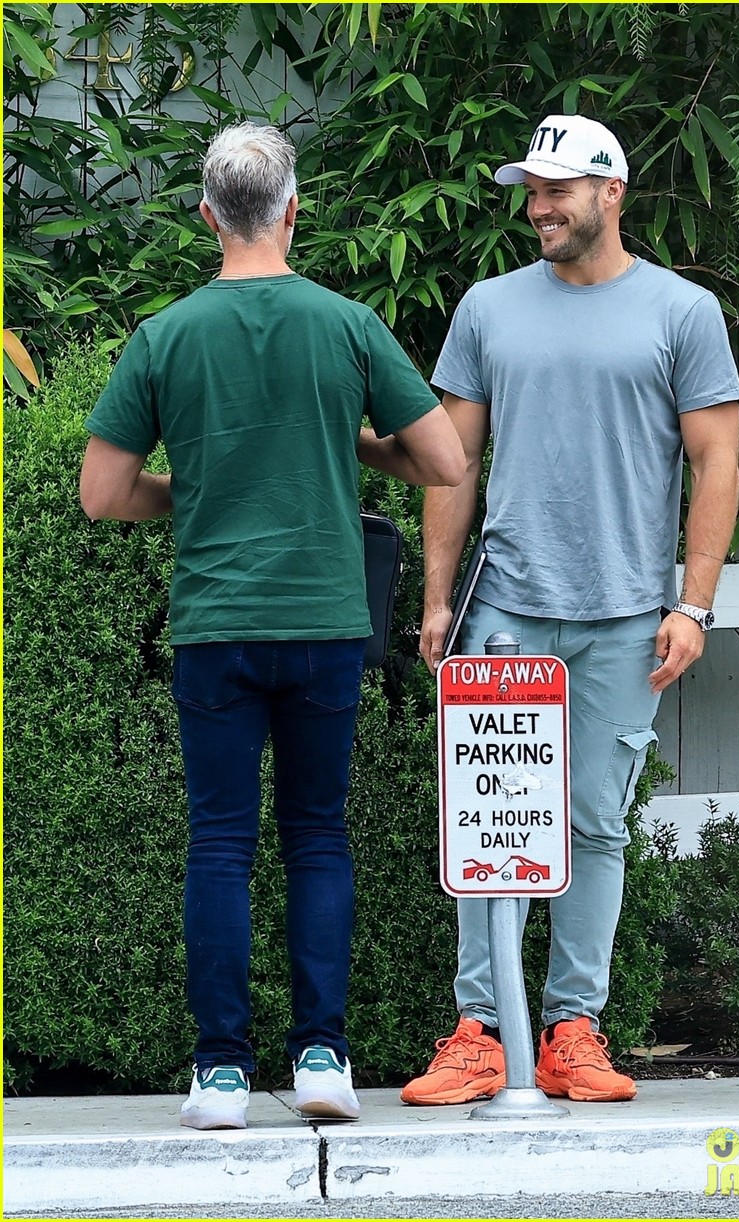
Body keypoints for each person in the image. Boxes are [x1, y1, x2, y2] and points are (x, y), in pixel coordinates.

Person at [80, 122, 465, 1129]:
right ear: (293, 209)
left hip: (216, 622)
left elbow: (102, 493)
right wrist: (356, 449)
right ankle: (322, 1061)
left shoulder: (164, 336)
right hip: (324, 620)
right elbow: (441, 463)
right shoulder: (346, 325)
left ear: (207, 215)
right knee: (315, 836)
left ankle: (217, 1076)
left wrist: (190, 490)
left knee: (218, 841)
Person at [402, 114, 739, 1106]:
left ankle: (569, 1029)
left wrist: (694, 603)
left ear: (611, 195)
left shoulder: (680, 312)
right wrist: (434, 595)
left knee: (592, 823)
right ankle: (476, 1033)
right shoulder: (486, 307)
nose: (539, 206)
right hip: (503, 601)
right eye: (530, 191)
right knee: (483, 815)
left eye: (557, 189)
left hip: (629, 613)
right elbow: (449, 462)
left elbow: (716, 457)